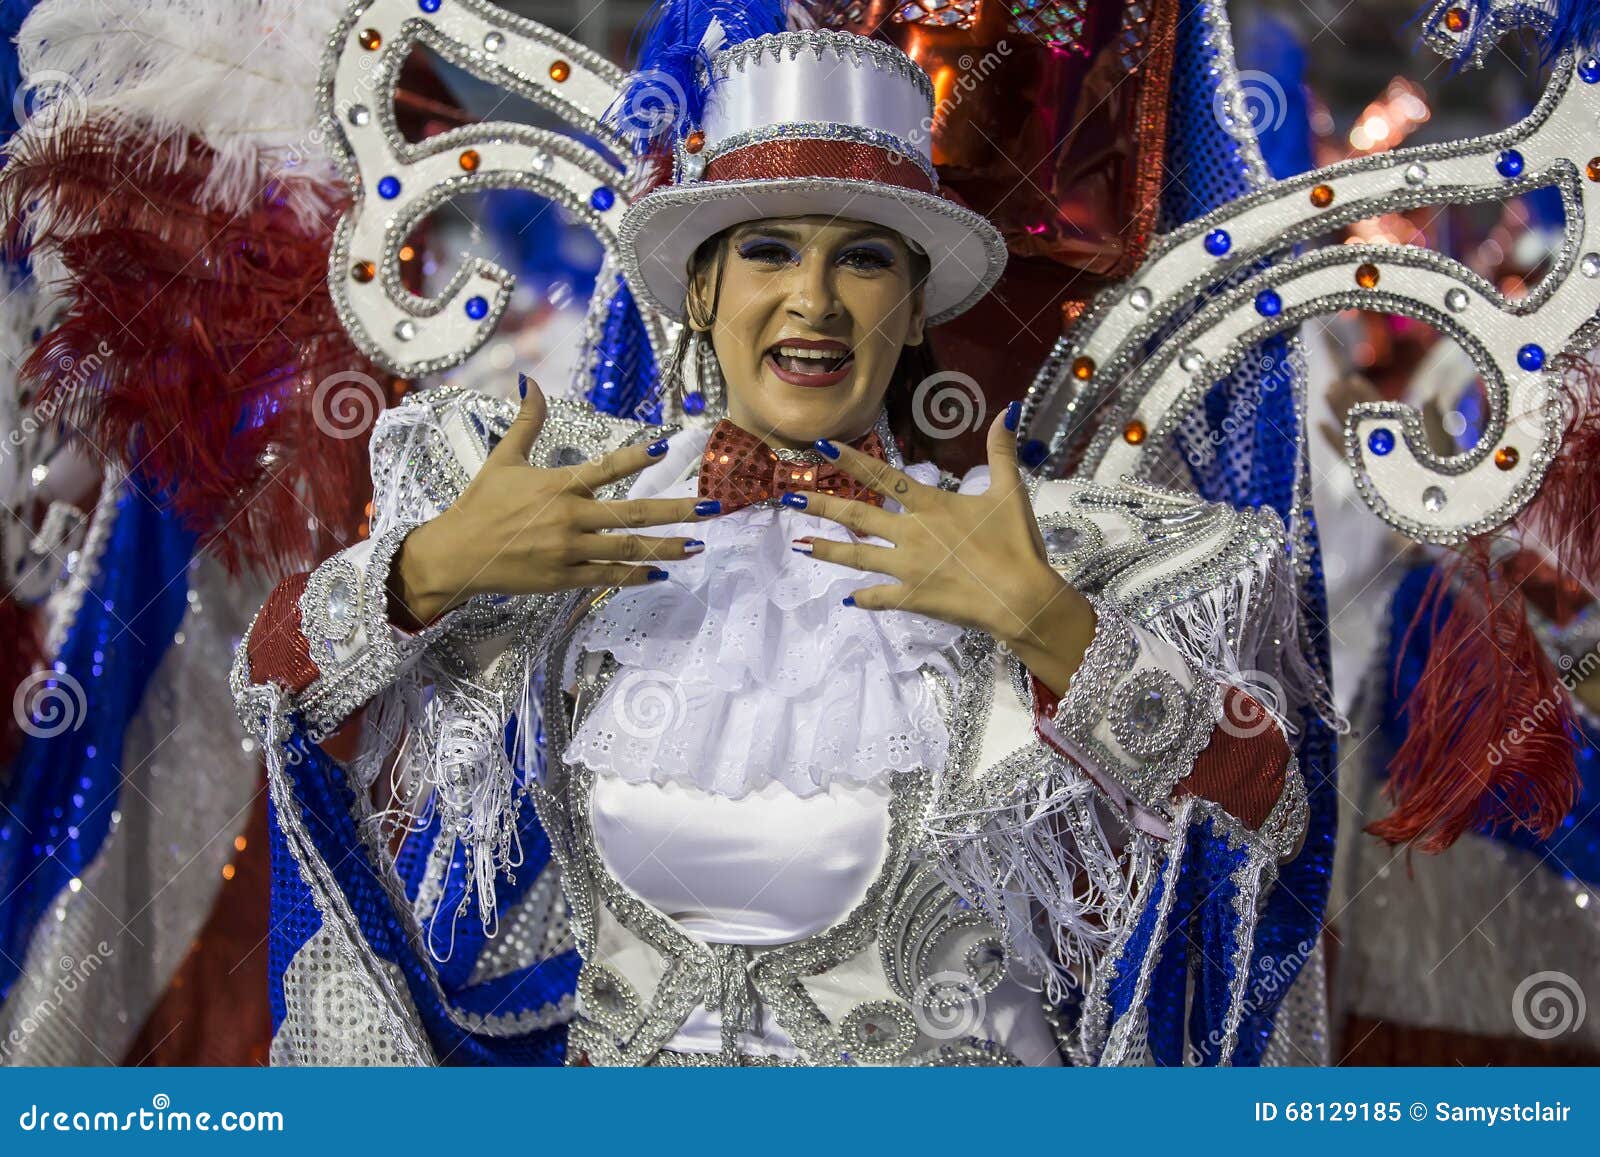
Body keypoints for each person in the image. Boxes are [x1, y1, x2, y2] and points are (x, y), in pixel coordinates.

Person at [233, 24, 1305, 1067]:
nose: (814, 299)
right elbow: (270, 690)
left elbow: (1270, 809)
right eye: (769, 250)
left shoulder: (1024, 541)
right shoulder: (580, 510)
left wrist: (1049, 625)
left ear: (914, 309)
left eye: (864, 259)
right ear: (702, 290)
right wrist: (427, 572)